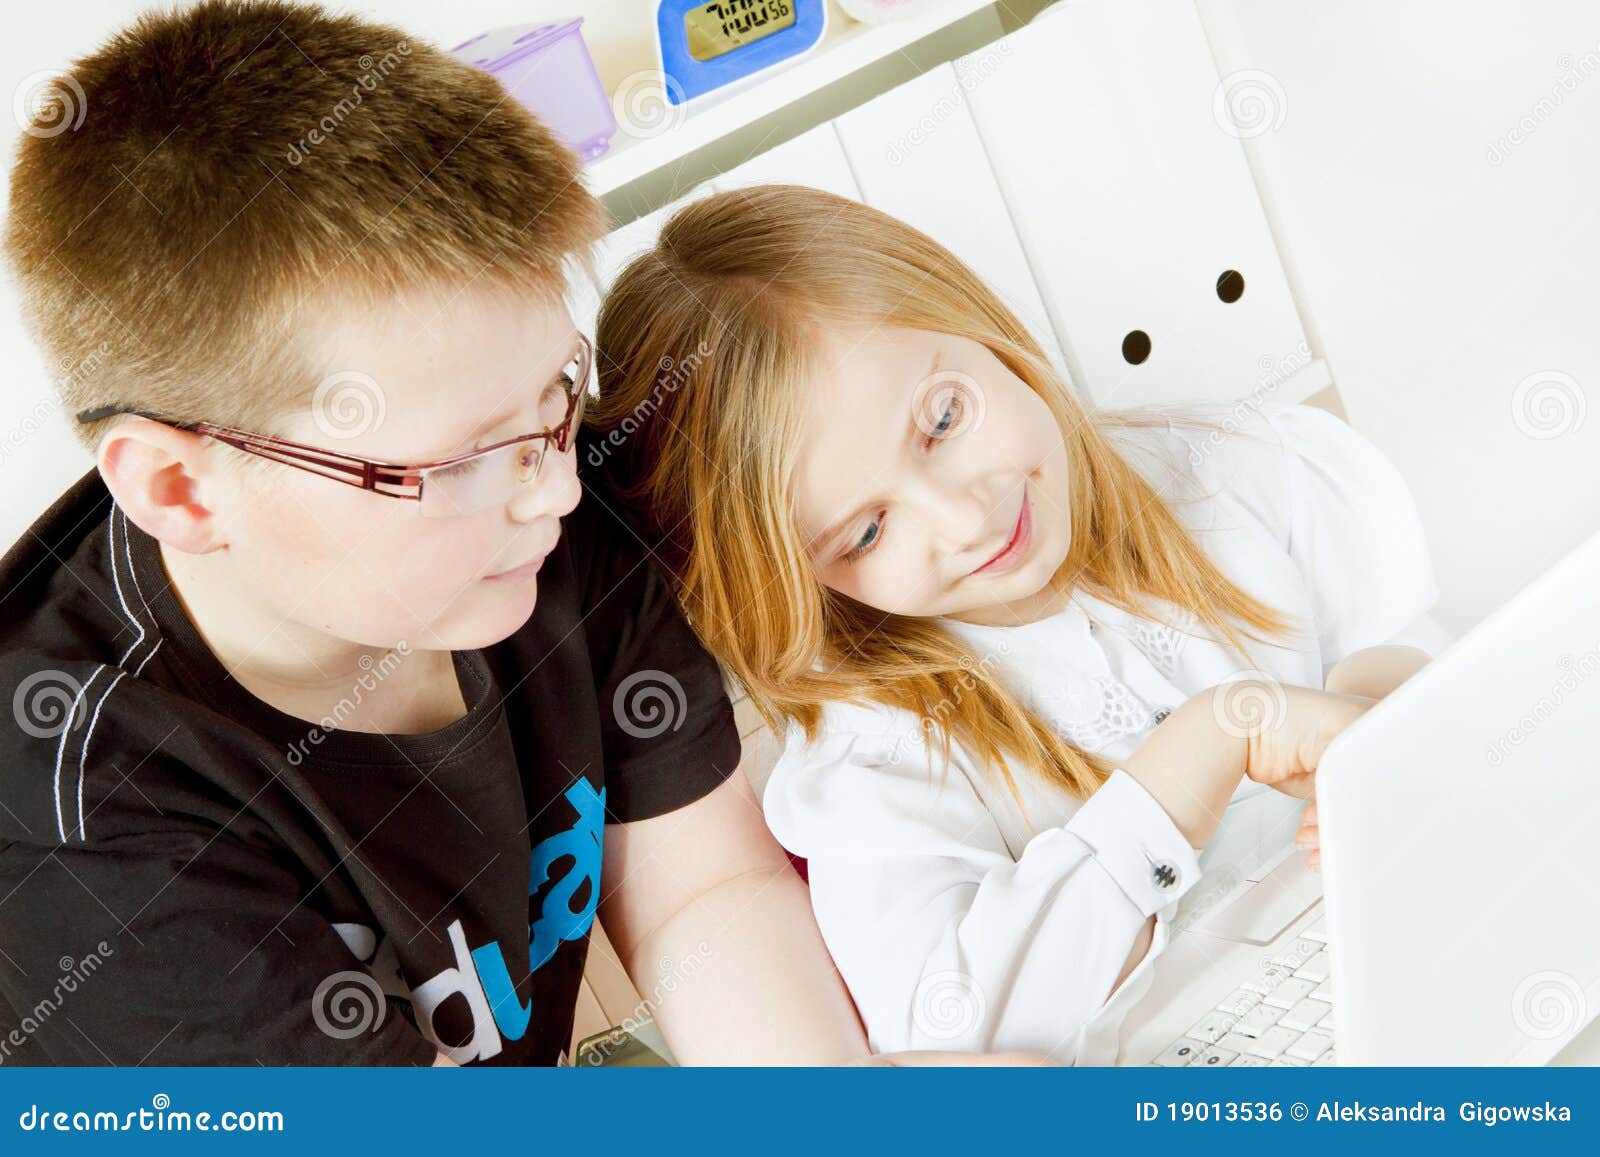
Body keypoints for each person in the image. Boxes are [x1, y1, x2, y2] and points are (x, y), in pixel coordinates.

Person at [0, 1, 1036, 1068]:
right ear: (181, 487)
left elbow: (703, 894)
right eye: (463, 460)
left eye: (555, 393)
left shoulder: (542, 508)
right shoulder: (75, 834)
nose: (552, 489)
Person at [582, 183, 1442, 1063]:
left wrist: (1373, 727)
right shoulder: (875, 761)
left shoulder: (1231, 467)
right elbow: (955, 1032)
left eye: (943, 420)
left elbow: (1398, 634)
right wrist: (1200, 754)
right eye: (868, 531)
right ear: (800, 580)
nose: (962, 519)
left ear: (974, 319)